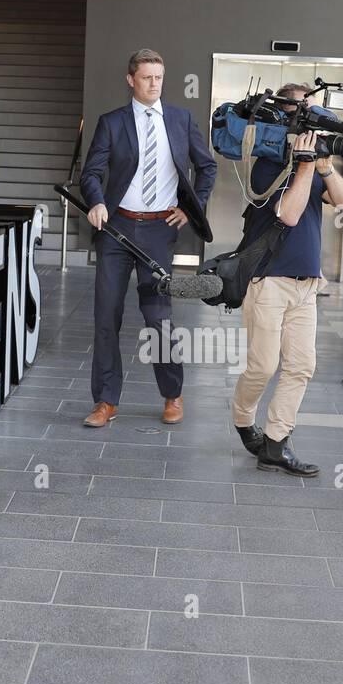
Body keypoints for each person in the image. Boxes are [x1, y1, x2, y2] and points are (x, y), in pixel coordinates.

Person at [79, 48, 217, 427]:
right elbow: (90, 173)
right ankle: (105, 401)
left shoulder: (180, 119)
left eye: (159, 77)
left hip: (159, 231)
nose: (154, 84)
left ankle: (172, 395)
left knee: (159, 318)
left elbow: (207, 167)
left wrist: (191, 208)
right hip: (117, 229)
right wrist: (96, 202)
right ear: (131, 80)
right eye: (146, 77)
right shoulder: (111, 123)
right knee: (106, 316)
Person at [233, 85, 343, 476]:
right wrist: (303, 165)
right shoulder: (269, 163)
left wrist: (323, 166)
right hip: (268, 281)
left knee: (301, 366)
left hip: (306, 284)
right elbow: (288, 213)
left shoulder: (314, 163)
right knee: (263, 366)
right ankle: (242, 417)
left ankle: (275, 443)